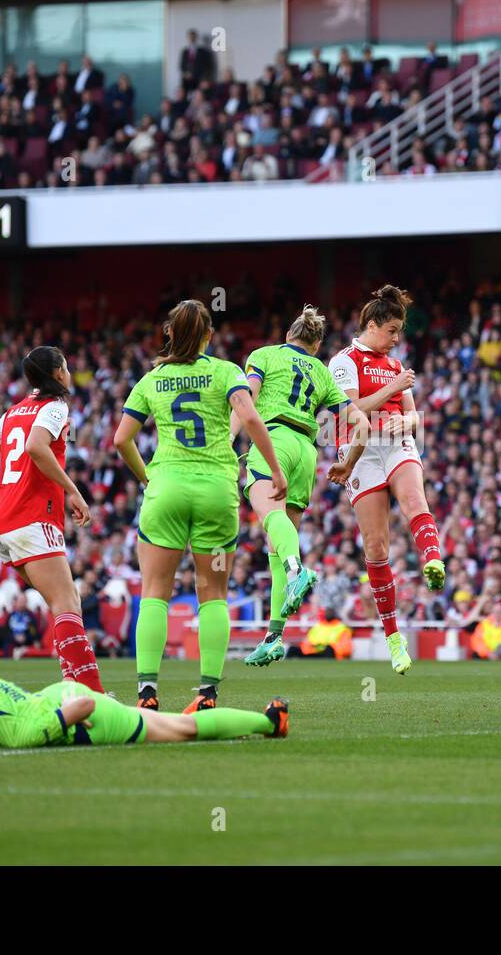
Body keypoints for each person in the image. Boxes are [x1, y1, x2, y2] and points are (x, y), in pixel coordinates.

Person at [112, 300, 284, 713]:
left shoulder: (153, 378)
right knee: (212, 594)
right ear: (209, 335)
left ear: (169, 334)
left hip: (166, 489)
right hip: (215, 492)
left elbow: (121, 439)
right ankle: (207, 693)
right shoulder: (227, 371)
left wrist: (147, 478)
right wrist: (275, 471)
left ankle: (147, 693)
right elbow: (252, 419)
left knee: (155, 592)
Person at [233, 304, 370, 666]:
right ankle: (274, 637)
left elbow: (246, 399)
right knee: (277, 546)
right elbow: (363, 425)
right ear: (315, 344)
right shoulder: (323, 373)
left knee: (268, 519)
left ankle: (298, 570)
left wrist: (227, 442)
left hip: (272, 438)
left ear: (289, 335)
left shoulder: (264, 355)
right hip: (307, 452)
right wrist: (348, 461)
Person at [0, 346, 105, 692]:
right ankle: (92, 693)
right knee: (68, 603)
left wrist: (2, 497)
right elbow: (36, 447)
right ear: (58, 374)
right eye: (67, 366)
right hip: (31, 520)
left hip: (0, 522)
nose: (70, 373)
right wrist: (73, 490)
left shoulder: (14, 411)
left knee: (60, 606)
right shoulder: (56, 407)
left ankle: (74, 688)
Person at [329, 285, 447, 676]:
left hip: (396, 442)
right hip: (361, 453)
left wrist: (407, 420)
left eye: (400, 332)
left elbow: (415, 416)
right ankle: (394, 639)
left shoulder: (394, 364)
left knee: (415, 500)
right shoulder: (343, 362)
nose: (397, 339)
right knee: (376, 546)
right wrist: (393, 389)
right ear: (373, 324)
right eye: (393, 330)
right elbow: (350, 411)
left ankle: (433, 560)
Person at [0, 674, 288, 749]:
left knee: (185, 729)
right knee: (174, 722)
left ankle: (271, 723)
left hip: (89, 712)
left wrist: (104, 709)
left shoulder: (18, 734)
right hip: (58, 689)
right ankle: (255, 720)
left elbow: (82, 707)